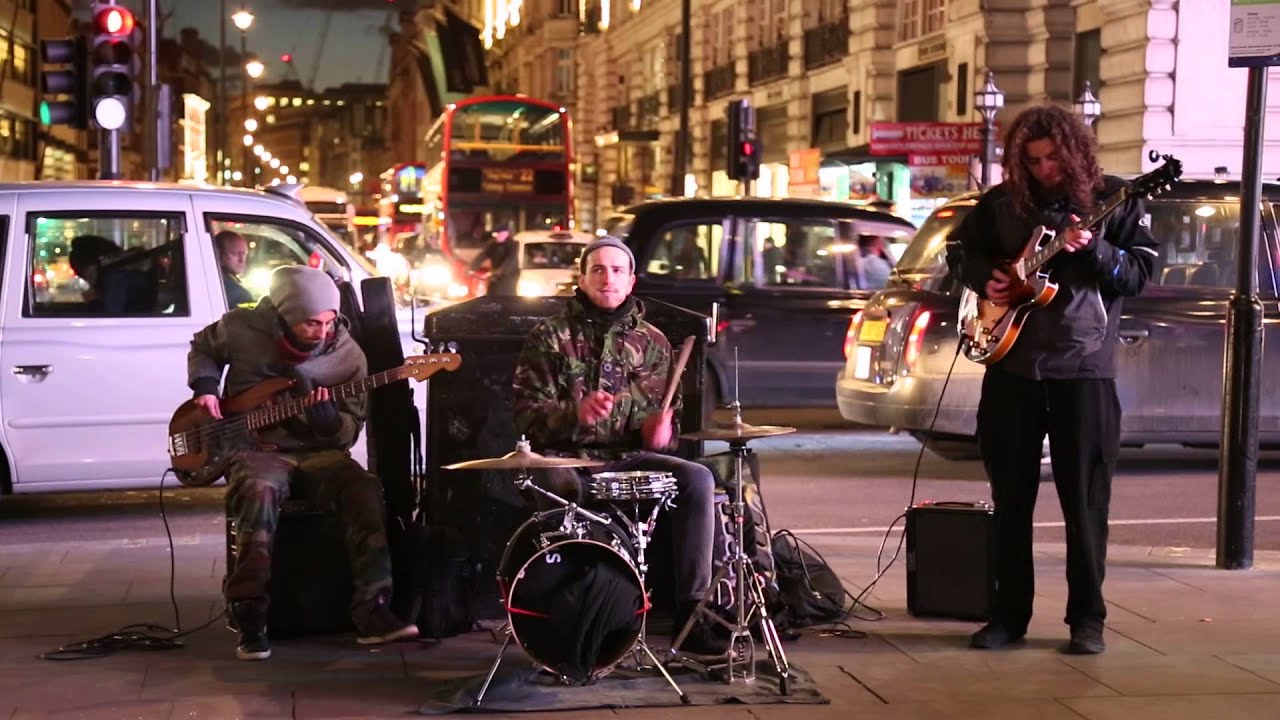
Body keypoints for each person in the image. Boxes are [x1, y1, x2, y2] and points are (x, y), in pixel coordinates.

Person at [951, 105, 1157, 655]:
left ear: (1075, 154)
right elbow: (960, 251)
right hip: (1012, 368)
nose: (1043, 170)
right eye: (1031, 160)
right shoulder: (1001, 203)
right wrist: (987, 277)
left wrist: (1095, 249)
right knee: (1010, 500)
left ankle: (1087, 620)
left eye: (1052, 159)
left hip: (1084, 372)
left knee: (1086, 503)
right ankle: (1006, 617)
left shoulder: (1117, 199)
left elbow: (1137, 274)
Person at [511, 235, 729, 658]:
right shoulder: (550, 336)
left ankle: (691, 613)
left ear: (631, 281)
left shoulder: (654, 343)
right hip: (564, 458)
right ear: (582, 278)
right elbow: (524, 414)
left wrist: (660, 434)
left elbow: (665, 424)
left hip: (628, 458)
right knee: (556, 481)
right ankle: (575, 610)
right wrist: (575, 414)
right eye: (597, 270)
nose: (607, 279)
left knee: (698, 478)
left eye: (616, 271)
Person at [187, 265, 418, 660]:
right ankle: (251, 614)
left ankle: (373, 609)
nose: (323, 332)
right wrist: (206, 387)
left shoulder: (348, 355)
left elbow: (348, 431)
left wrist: (328, 422)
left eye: (329, 322)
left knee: (363, 489)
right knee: (256, 492)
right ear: (285, 313)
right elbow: (204, 347)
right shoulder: (242, 328)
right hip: (256, 450)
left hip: (319, 452)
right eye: (312, 322)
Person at [469, 224, 518, 296]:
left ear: (505, 234)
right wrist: (472, 267)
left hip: (509, 276)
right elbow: (483, 255)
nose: (496, 236)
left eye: (498, 234)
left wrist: (499, 270)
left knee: (505, 295)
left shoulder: (512, 245)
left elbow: (510, 260)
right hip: (495, 276)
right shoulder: (493, 245)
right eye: (495, 234)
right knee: (491, 293)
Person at [215, 230, 254, 307]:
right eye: (235, 253)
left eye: (244, 254)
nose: (242, 260)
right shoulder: (240, 296)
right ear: (218, 254)